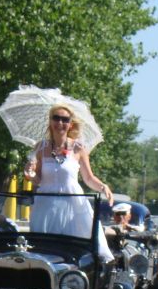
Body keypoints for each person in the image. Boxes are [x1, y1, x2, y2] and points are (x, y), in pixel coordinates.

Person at [23, 104, 115, 262]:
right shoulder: (40, 147)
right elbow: (39, 180)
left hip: (72, 204)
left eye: (65, 119)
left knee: (81, 246)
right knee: (44, 248)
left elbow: (88, 178)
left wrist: (103, 187)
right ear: (50, 122)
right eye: (56, 118)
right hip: (46, 205)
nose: (60, 123)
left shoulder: (78, 148)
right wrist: (30, 174)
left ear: (70, 124)